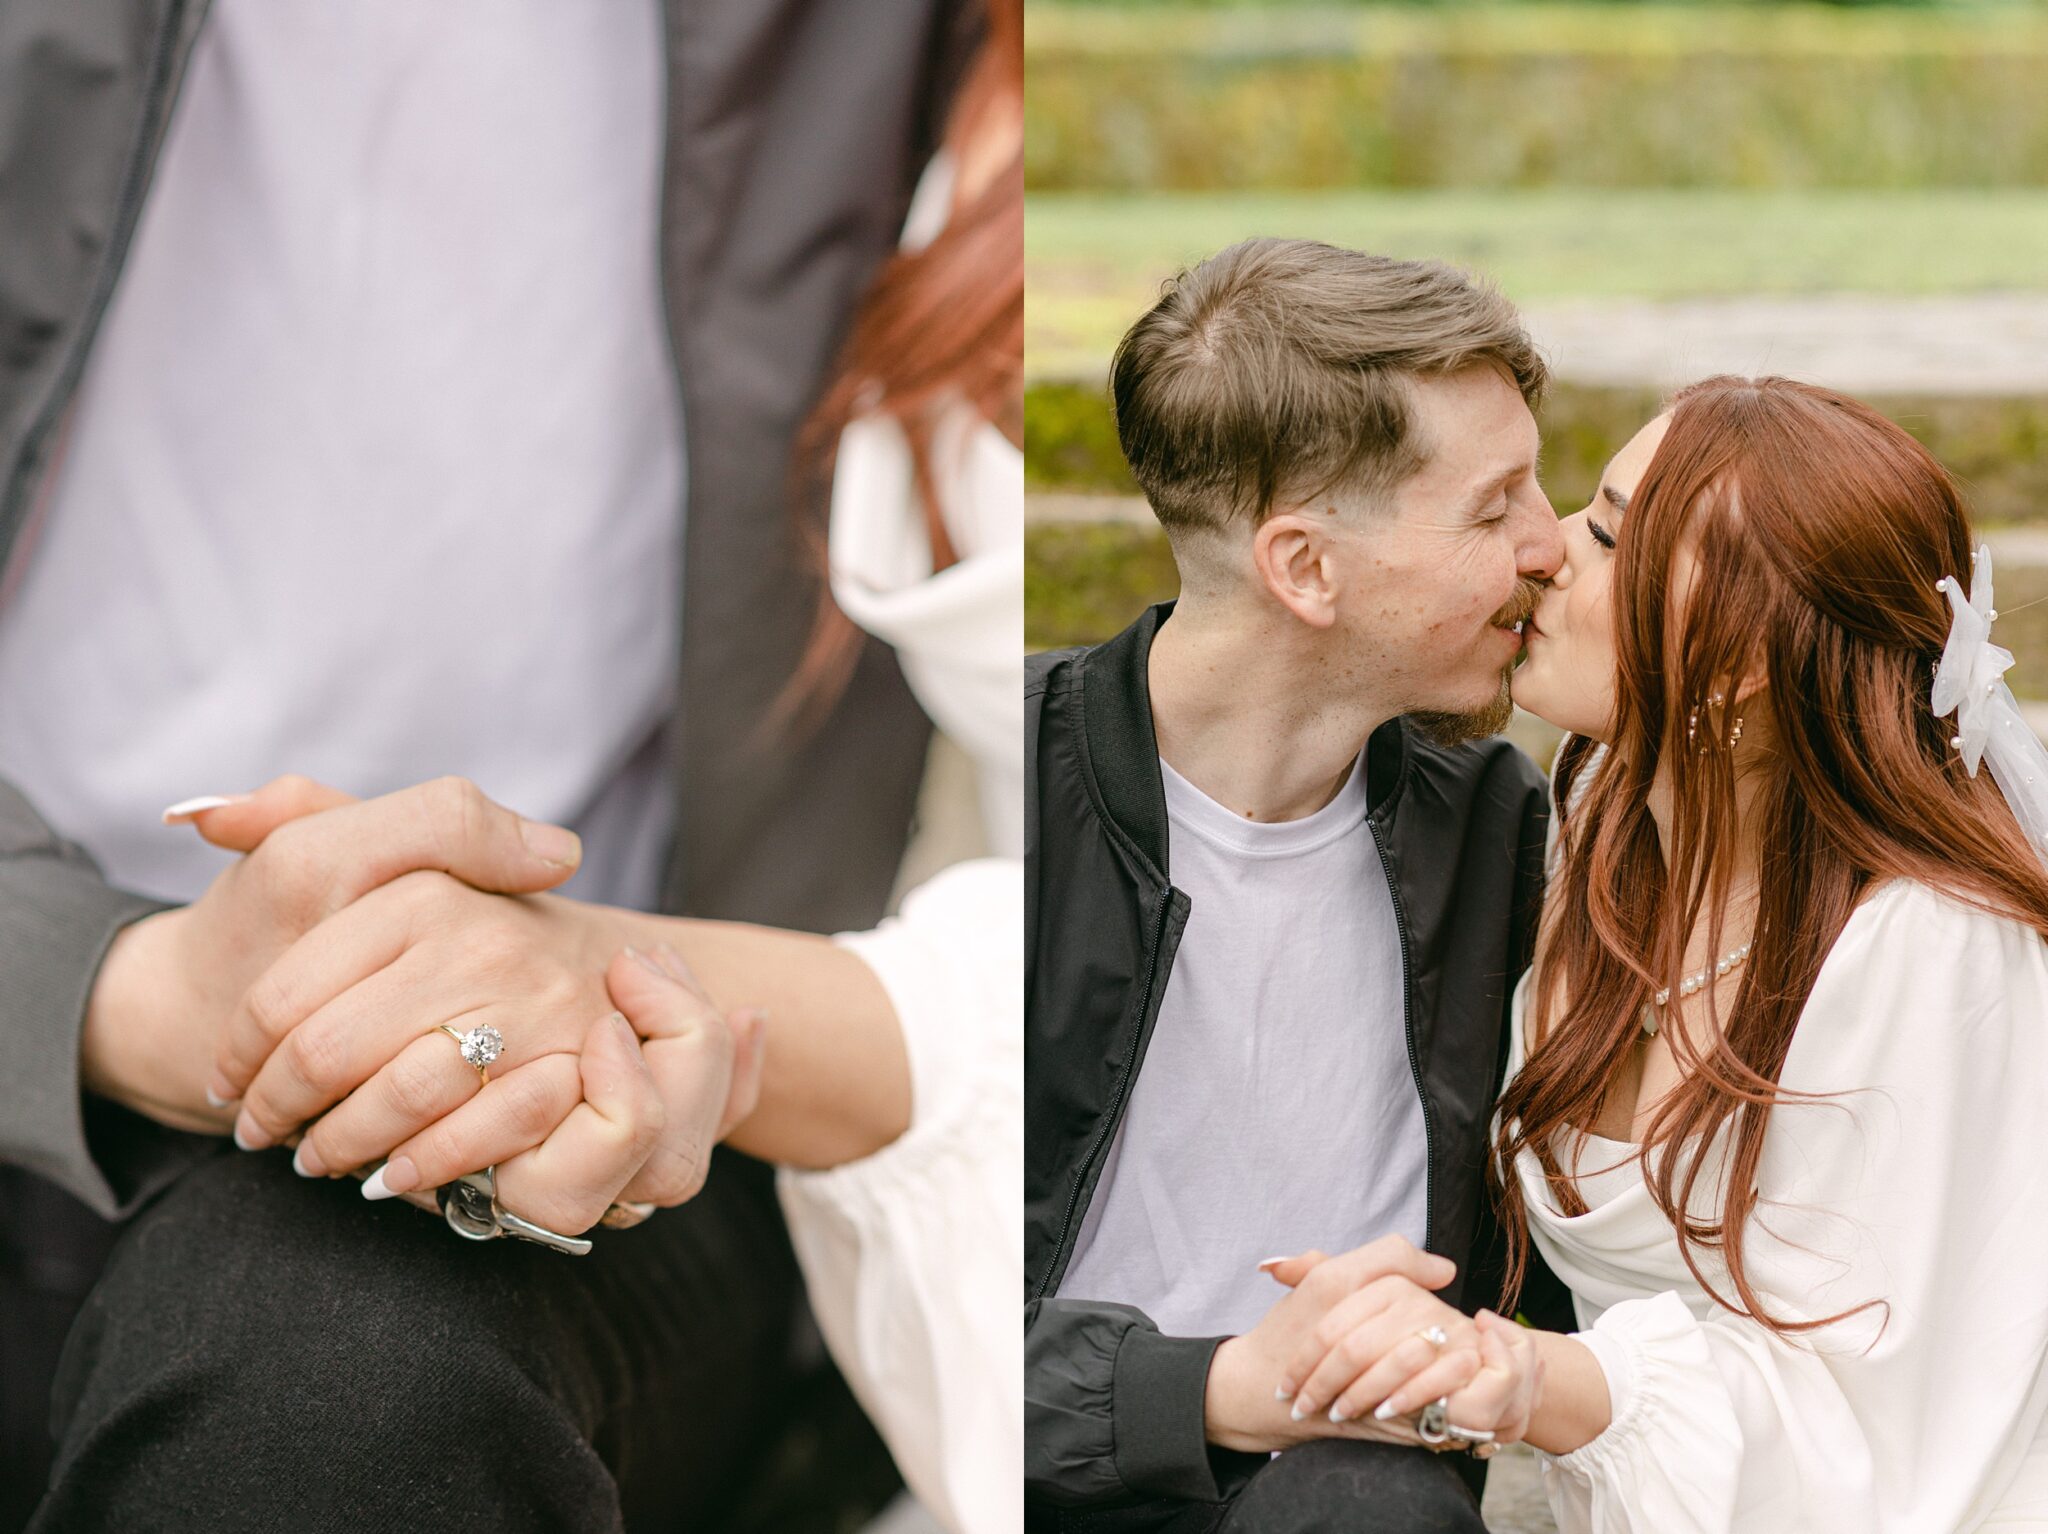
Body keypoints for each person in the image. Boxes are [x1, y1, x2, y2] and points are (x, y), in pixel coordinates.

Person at [0, 2, 980, 1528]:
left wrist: (624, 993)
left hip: (635, 1118)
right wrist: (114, 985)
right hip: (41, 986)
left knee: (336, 1385)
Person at [1274, 376, 2048, 1532]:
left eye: (1606, 537)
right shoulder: (1591, 826)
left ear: (1733, 661)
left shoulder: (1926, 947)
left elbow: (1888, 1434)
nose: (1545, 557)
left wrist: (1525, 1377)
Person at [1023, 238, 1576, 1533]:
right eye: (1495, 509)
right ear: (1306, 568)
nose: (1550, 546)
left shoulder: (1499, 830)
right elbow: (886, 1293)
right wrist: (1211, 1385)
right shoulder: (1017, 801)